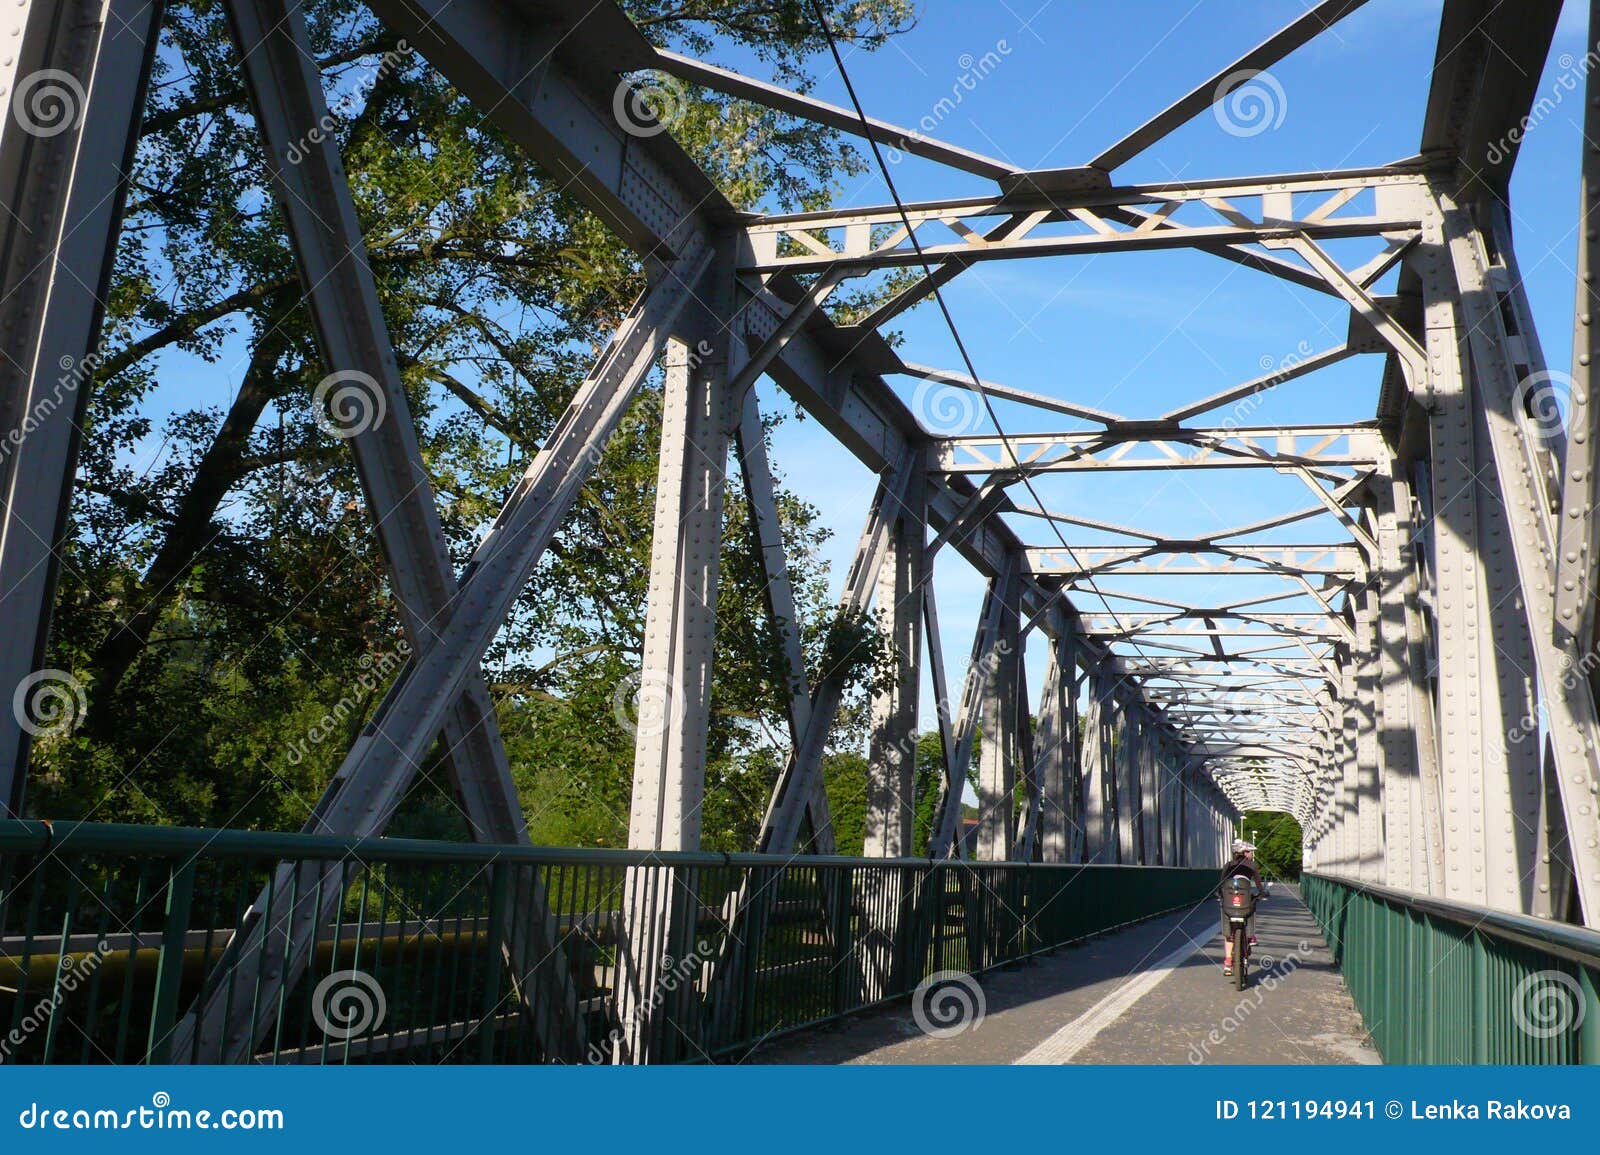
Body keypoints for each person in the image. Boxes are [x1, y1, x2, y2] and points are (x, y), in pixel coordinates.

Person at [1219, 838, 1266, 976]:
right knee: (1252, 905)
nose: (1252, 854)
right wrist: (1262, 894)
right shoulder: (1252, 866)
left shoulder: (1228, 865)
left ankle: (1228, 962)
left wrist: (1219, 895)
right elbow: (1258, 885)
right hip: (1244, 904)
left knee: (1228, 931)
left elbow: (1221, 884)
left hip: (1230, 904)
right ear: (1244, 853)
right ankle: (1251, 936)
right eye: (1250, 851)